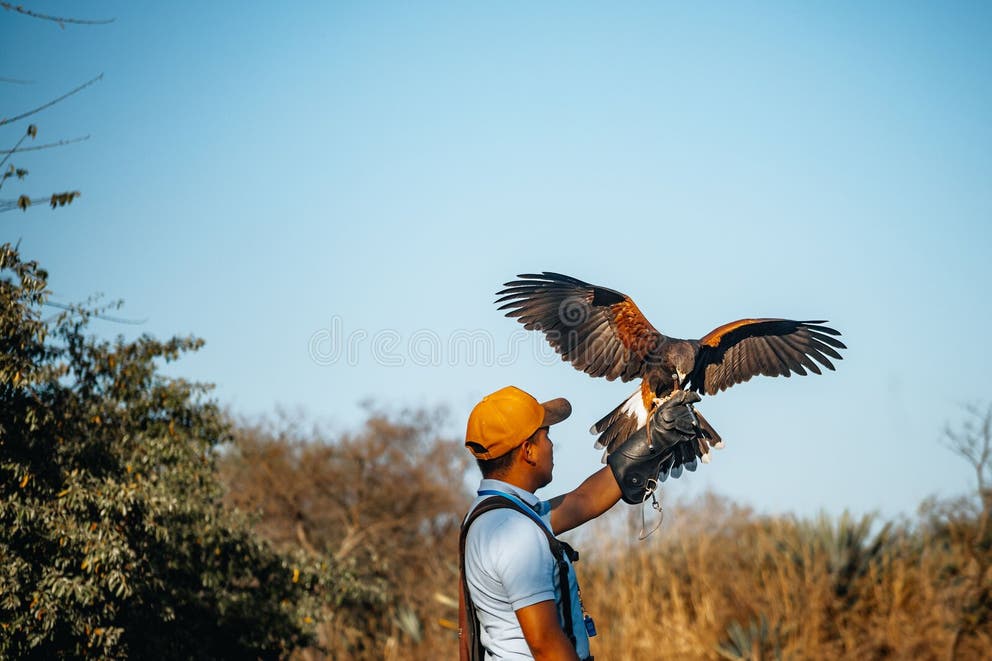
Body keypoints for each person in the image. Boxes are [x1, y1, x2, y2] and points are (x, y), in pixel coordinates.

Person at [458, 385, 702, 661]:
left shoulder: (491, 516)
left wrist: (653, 439)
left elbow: (583, 500)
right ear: (528, 451)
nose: (552, 445)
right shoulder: (517, 534)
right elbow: (545, 644)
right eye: (546, 436)